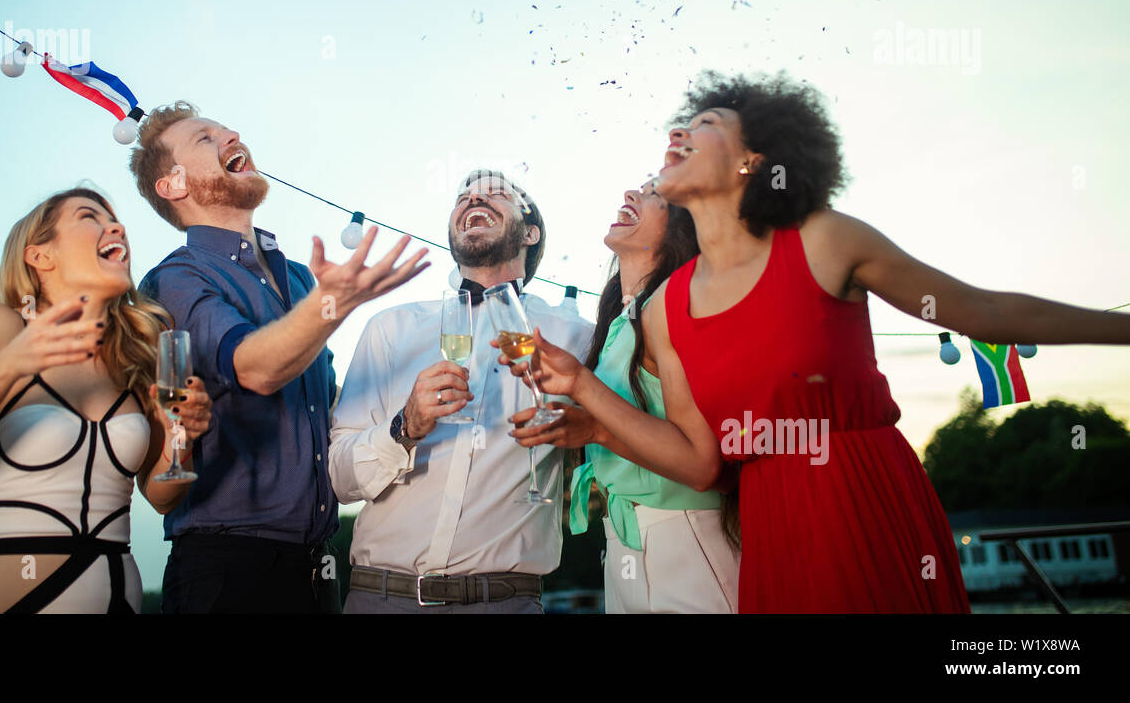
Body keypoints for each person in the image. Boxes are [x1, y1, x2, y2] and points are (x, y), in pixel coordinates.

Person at [519, 70, 1130, 613]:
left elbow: (988, 311)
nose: (677, 135)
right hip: (769, 526)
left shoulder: (823, 240)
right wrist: (577, 384)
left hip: (865, 497)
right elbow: (700, 461)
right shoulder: (668, 309)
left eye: (703, 125)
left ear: (752, 161)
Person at [129, 101, 428, 613]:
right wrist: (335, 305)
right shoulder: (176, 279)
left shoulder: (298, 279)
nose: (231, 135)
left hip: (318, 570)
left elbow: (327, 416)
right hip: (226, 576)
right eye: (205, 138)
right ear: (173, 185)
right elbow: (255, 368)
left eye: (226, 129)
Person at [0, 187, 212, 613]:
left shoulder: (137, 354)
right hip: (12, 599)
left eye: (114, 219)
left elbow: (160, 498)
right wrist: (12, 364)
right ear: (39, 256)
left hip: (120, 597)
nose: (115, 227)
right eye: (90, 217)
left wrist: (183, 438)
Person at [329, 169, 593, 613]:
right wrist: (404, 426)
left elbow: (628, 433)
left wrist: (583, 427)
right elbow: (338, 480)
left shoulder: (578, 338)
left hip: (506, 602)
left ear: (530, 232)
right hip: (381, 598)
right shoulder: (391, 328)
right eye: (464, 197)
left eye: (496, 195)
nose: (474, 200)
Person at [509, 177, 740, 613]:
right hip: (622, 541)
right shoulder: (620, 321)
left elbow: (704, 464)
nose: (630, 195)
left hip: (685, 539)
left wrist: (587, 403)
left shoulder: (674, 305)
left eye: (653, 194)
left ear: (684, 228)